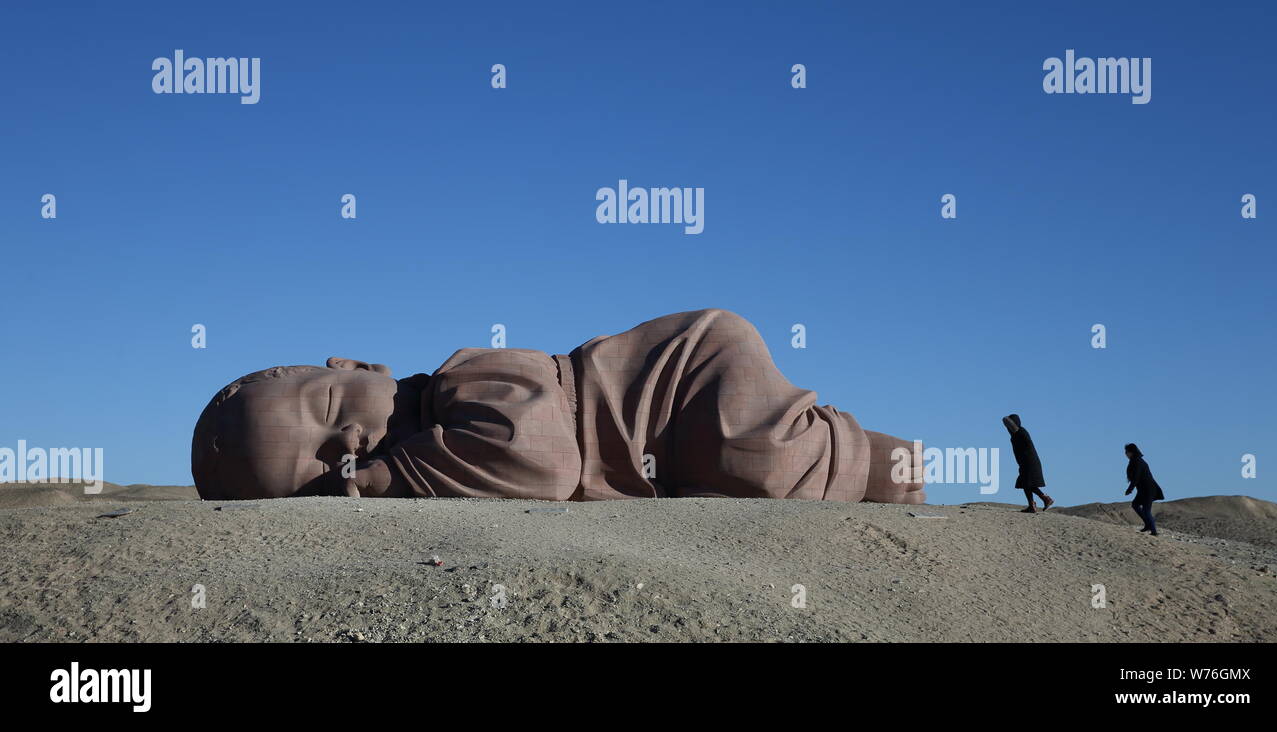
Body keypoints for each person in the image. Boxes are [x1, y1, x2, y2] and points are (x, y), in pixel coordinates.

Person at [192, 308, 925, 504]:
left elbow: (541, 461)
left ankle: (899, 467)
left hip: (683, 385)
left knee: (766, 459)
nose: (351, 435)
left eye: (328, 403)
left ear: (355, 365)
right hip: (664, 453)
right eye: (329, 462)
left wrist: (388, 478)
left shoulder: (462, 380)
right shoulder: (442, 446)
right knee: (755, 472)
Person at [1002, 414, 1052, 512]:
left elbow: (1006, 421)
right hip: (1025, 462)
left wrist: (1006, 418)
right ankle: (1035, 504)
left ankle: (1043, 499)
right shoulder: (1015, 435)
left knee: (1026, 482)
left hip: (1029, 462)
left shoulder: (1021, 432)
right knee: (1025, 483)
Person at [1125, 443, 1164, 535]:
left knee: (1146, 510)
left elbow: (1136, 477)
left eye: (1127, 452)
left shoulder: (1138, 461)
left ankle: (1154, 531)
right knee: (1135, 504)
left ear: (1132, 452)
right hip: (1142, 489)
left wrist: (1130, 489)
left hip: (1149, 489)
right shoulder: (1134, 461)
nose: (1125, 454)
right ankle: (1148, 524)